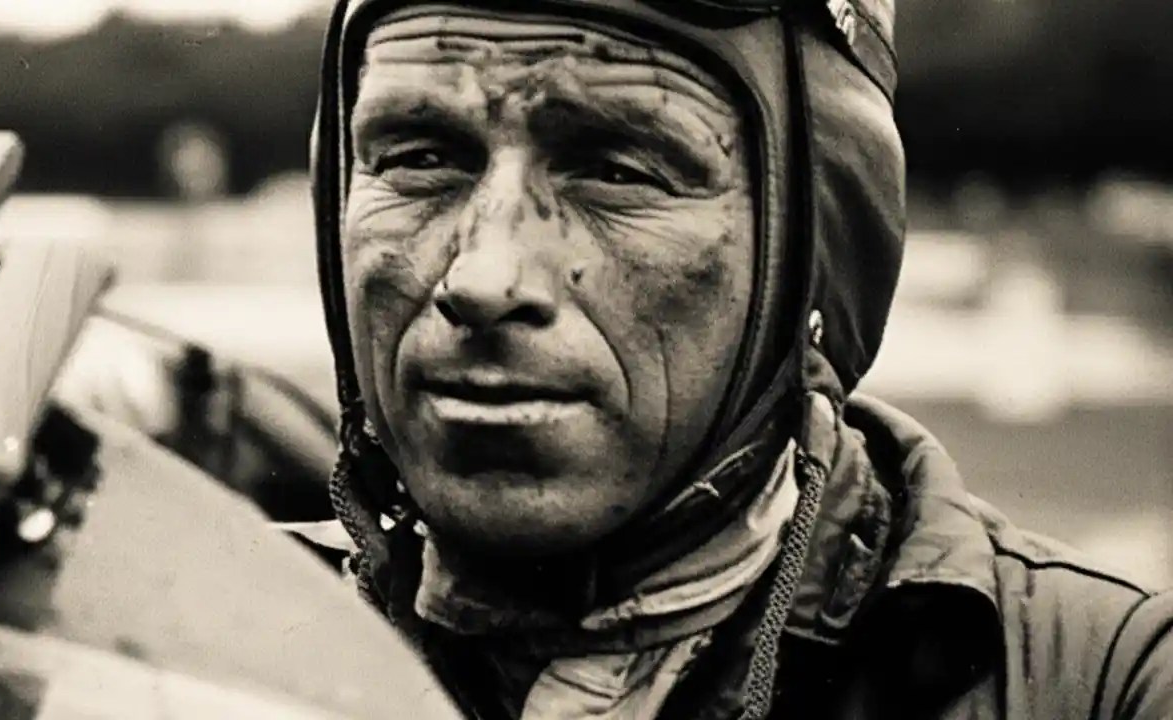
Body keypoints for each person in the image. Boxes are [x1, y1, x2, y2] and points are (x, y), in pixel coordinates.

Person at [309, 1, 1173, 718]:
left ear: (822, 246)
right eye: (419, 157)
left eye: (619, 168)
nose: (484, 278)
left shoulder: (1105, 683)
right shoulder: (199, 636)